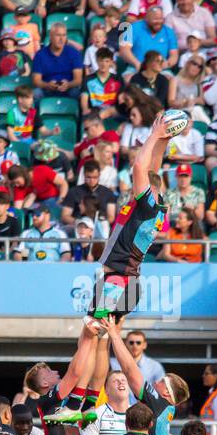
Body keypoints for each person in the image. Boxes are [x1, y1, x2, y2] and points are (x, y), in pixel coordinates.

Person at [88, 111, 169, 320]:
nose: (136, 186)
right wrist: (162, 139)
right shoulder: (154, 206)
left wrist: (153, 135)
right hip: (125, 278)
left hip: (117, 278)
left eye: (140, 184)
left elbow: (140, 167)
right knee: (105, 335)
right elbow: (153, 168)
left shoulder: (147, 205)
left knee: (89, 337)